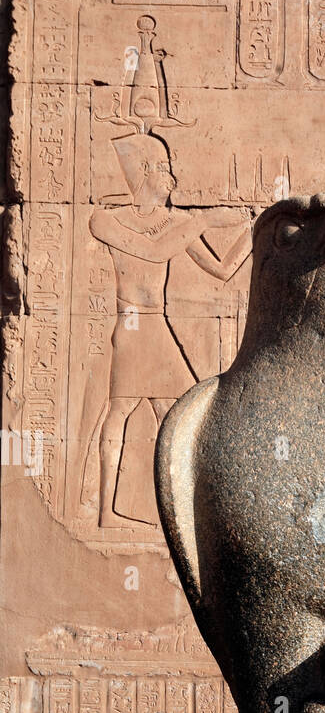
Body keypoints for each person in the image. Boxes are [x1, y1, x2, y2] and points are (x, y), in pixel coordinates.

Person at [84, 131, 252, 527]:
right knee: (123, 409)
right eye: (163, 168)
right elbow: (152, 250)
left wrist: (253, 231)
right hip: (132, 324)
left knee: (176, 414)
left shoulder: (177, 222)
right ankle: (107, 512)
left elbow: (223, 270)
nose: (172, 177)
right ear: (141, 172)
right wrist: (203, 219)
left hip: (155, 325)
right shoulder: (107, 219)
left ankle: (180, 514)